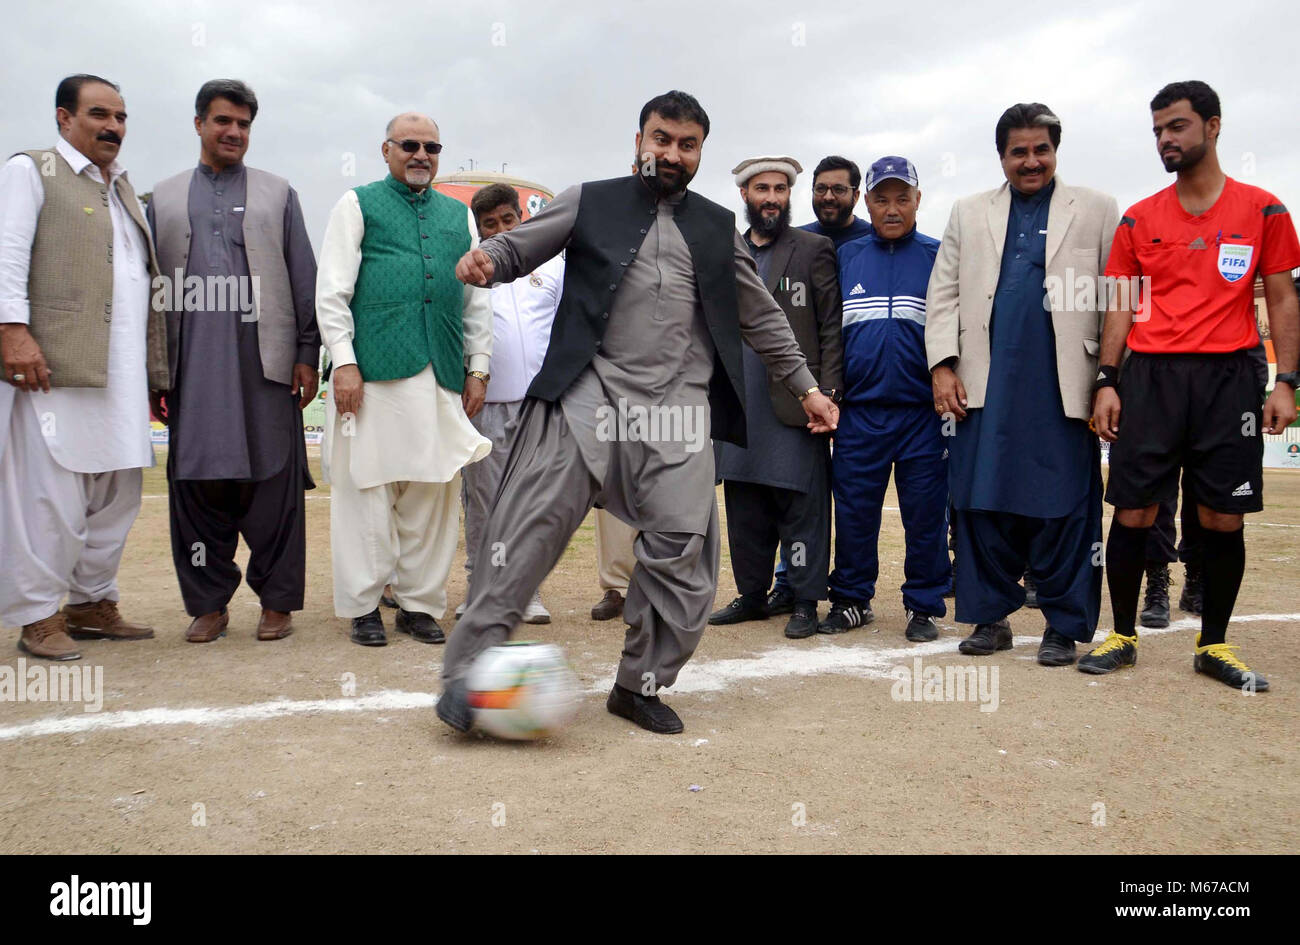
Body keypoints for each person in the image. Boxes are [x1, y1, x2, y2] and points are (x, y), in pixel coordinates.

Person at [441, 91, 838, 735]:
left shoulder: (715, 227)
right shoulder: (589, 198)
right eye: (661, 139)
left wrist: (807, 387)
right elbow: (522, 244)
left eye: (687, 144)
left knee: (684, 555)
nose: (672, 153)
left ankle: (638, 684)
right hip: (588, 396)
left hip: (679, 413)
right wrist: (494, 260)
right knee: (524, 535)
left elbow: (762, 315)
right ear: (639, 140)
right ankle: (464, 676)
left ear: (701, 152)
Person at [1083, 81, 1300, 689]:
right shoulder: (1140, 217)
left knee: (1223, 517)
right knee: (1133, 511)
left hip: (1230, 378)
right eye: (1157, 130)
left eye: (1176, 126)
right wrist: (1108, 379)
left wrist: (1286, 382)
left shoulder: (1265, 210)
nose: (1165, 140)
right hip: (1150, 378)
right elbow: (1121, 306)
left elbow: (1282, 297)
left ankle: (1214, 645)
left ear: (1213, 126)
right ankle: (1122, 635)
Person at [926, 103, 1118, 667]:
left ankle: (1063, 624)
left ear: (1056, 150)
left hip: (1065, 385)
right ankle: (991, 619)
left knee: (1066, 508)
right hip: (983, 386)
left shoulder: (1099, 209)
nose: (1031, 161)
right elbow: (942, 295)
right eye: (1019, 151)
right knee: (980, 502)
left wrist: (1111, 378)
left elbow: (1121, 300)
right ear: (1002, 156)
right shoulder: (966, 212)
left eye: (1041, 149)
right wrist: (942, 365)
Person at [0, 74, 166, 660]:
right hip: (52, 368)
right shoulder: (32, 170)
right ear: (63, 118)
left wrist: (155, 372)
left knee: (117, 492)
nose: (113, 127)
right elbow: (8, 249)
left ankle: (90, 603)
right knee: (48, 497)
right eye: (99, 114)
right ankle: (37, 615)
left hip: (119, 375)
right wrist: (12, 330)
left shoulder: (122, 187)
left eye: (120, 117)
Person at [148, 79, 320, 643]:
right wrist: (156, 371)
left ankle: (277, 602)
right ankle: (209, 603)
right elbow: (151, 293)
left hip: (265, 368)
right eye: (223, 121)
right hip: (194, 370)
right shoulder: (165, 198)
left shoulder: (278, 192)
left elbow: (303, 277)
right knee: (197, 485)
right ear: (199, 124)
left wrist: (305, 352)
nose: (234, 132)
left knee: (274, 484)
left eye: (244, 124)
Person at [316, 112, 492, 648]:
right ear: (387, 150)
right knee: (365, 490)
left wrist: (477, 366)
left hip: (439, 375)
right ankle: (365, 606)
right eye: (410, 145)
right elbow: (332, 293)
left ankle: (418, 605)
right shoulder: (356, 204)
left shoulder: (458, 216)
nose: (421, 155)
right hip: (371, 376)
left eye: (432, 147)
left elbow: (475, 300)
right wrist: (344, 361)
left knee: (434, 492)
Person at [709, 156, 842, 639]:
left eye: (780, 189)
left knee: (801, 507)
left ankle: (806, 600)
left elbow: (831, 327)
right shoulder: (724, 250)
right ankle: (751, 595)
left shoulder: (813, 248)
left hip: (795, 400)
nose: (771, 197)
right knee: (745, 506)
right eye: (762, 188)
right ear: (745, 195)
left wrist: (826, 392)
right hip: (739, 402)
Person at [820, 156, 951, 641]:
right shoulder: (846, 257)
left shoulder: (939, 256)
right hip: (860, 414)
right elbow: (829, 333)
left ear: (918, 200)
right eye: (881, 198)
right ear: (866, 202)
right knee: (854, 511)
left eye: (902, 198)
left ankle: (924, 605)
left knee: (924, 516)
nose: (892, 208)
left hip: (923, 415)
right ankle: (853, 600)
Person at [458, 182, 560, 625]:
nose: (500, 230)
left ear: (521, 218)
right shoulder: (471, 271)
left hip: (540, 406)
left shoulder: (552, 267)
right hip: (485, 404)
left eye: (507, 220)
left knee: (533, 503)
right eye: (489, 225)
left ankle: (527, 592)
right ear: (479, 230)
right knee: (483, 503)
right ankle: (480, 588)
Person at [800, 155, 873, 248]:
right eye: (821, 189)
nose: (828, 197)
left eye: (838, 189)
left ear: (855, 196)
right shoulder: (796, 241)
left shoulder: (872, 240)